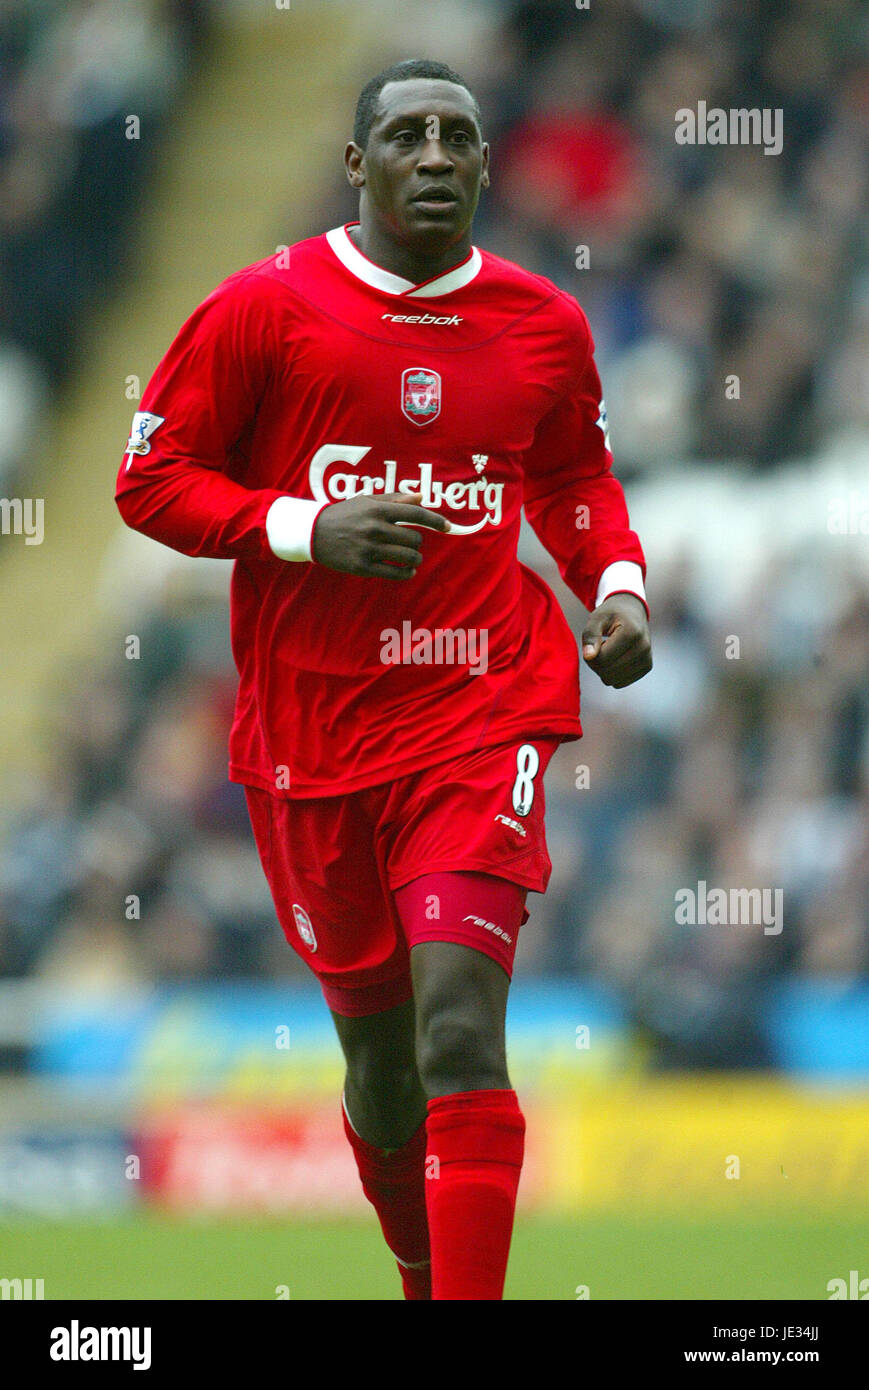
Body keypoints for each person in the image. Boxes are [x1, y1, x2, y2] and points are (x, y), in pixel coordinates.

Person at [115, 58, 652, 1301]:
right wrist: (306, 525)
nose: (432, 156)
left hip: (482, 702)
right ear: (356, 165)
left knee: (459, 1024)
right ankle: (417, 1273)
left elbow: (573, 478)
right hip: (309, 735)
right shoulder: (263, 308)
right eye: (403, 135)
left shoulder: (540, 324)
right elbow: (151, 480)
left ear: (480, 164)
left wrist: (613, 587)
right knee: (382, 1066)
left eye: (455, 138)